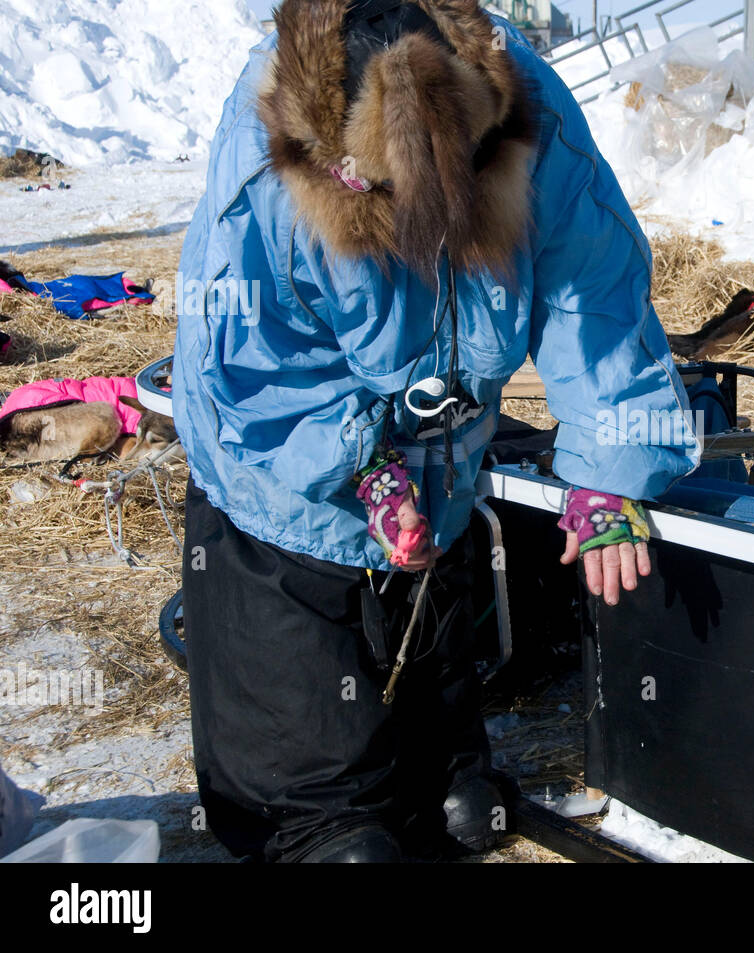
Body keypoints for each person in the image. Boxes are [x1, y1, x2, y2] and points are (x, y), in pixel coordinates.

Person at [173, 0, 699, 863]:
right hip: (286, 490)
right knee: (340, 831)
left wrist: (611, 467)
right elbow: (254, 364)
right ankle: (320, 806)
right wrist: (364, 469)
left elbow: (592, 289)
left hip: (443, 467)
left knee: (451, 799)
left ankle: (435, 756)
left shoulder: (528, 107)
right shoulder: (265, 163)